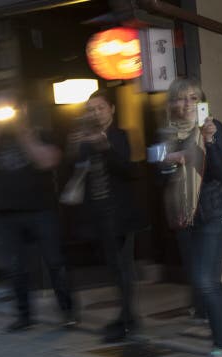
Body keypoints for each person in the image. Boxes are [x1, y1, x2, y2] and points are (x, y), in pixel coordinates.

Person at [157, 77, 222, 357]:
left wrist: (210, 141)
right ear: (172, 104)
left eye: (194, 98)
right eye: (180, 98)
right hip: (184, 218)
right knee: (199, 280)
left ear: (202, 103)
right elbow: (159, 176)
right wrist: (168, 163)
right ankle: (219, 342)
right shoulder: (166, 135)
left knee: (206, 280)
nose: (187, 104)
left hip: (214, 214)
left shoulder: (213, 128)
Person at [0, 95, 75, 332]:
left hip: (41, 211)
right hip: (6, 214)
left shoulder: (40, 133)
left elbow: (46, 161)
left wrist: (22, 130)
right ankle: (24, 316)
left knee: (54, 261)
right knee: (15, 266)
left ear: (24, 109)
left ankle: (68, 312)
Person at [68, 90, 142, 342]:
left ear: (111, 109)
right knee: (114, 267)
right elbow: (78, 171)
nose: (95, 113)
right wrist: (76, 146)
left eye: (99, 107)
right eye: (90, 109)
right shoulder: (86, 139)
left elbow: (128, 169)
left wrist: (104, 145)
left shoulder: (121, 135)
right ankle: (127, 317)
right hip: (98, 211)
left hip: (118, 212)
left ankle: (127, 321)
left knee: (122, 266)